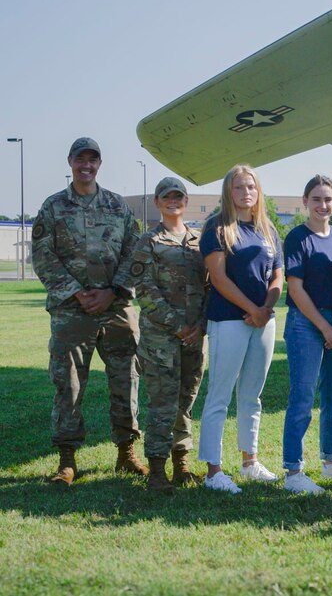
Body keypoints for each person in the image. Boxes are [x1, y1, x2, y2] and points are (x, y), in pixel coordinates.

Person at [31, 137, 145, 485]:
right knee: (69, 383)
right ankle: (67, 460)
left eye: (93, 159)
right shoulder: (53, 207)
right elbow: (42, 255)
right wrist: (77, 293)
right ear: (70, 162)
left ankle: (126, 453)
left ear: (99, 164)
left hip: (115, 309)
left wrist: (112, 292)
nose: (87, 165)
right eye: (81, 159)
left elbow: (134, 253)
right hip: (72, 312)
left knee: (126, 380)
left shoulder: (117, 206)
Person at [197, 164, 282, 494]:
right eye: (239, 187)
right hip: (230, 320)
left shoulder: (267, 228)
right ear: (228, 192)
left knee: (252, 396)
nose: (246, 193)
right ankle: (214, 471)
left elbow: (278, 275)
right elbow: (218, 278)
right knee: (219, 395)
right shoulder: (216, 227)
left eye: (251, 187)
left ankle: (250, 463)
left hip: (264, 321)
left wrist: (266, 309)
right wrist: (253, 310)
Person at [128, 176, 208, 492]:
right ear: (158, 203)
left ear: (185, 202)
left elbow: (210, 286)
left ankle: (182, 464)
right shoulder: (148, 242)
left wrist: (200, 325)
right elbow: (144, 290)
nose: (173, 201)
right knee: (162, 401)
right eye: (166, 197)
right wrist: (178, 327)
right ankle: (158, 469)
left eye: (178, 196)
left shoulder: (200, 241)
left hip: (194, 337)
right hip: (161, 339)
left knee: (186, 399)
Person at [281, 176, 332, 494]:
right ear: (305, 202)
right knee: (303, 397)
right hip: (306, 323)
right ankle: (294, 472)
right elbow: (295, 288)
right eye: (316, 199)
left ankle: (331, 460)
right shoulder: (298, 237)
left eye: (328, 199)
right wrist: (325, 328)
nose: (322, 205)